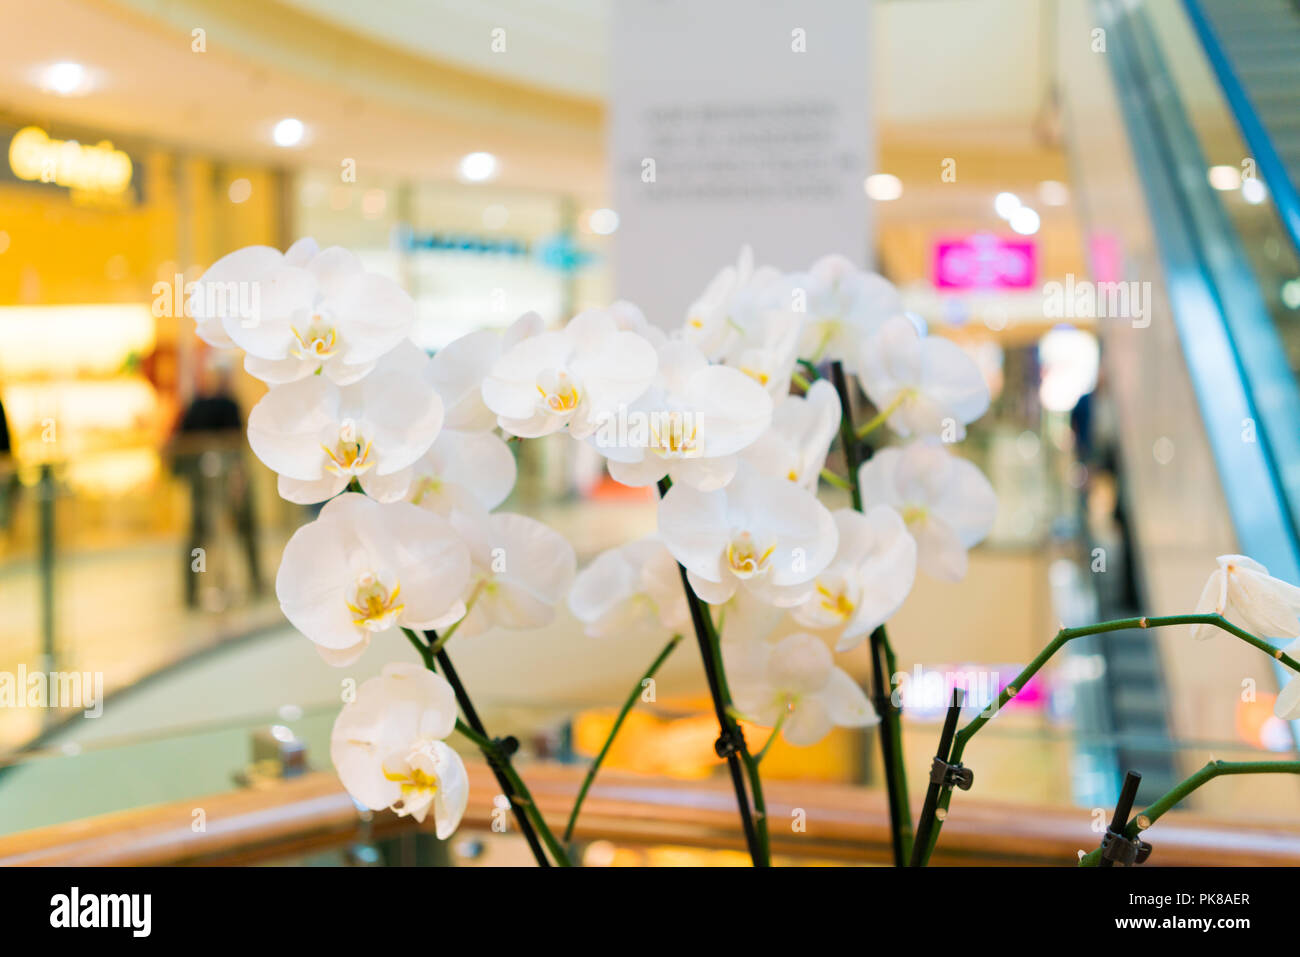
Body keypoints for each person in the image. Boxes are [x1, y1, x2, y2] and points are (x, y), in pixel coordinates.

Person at [175, 358, 264, 607]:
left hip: (229, 479)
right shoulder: (198, 405)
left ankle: (254, 581)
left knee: (243, 530)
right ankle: (193, 591)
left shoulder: (227, 404)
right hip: (205, 484)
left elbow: (238, 439)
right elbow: (183, 440)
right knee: (200, 536)